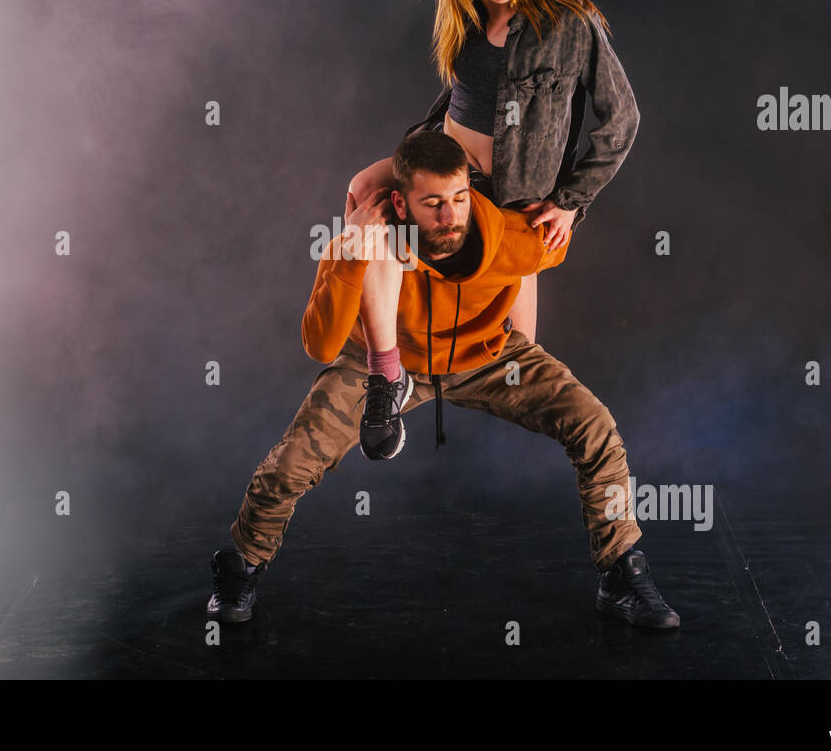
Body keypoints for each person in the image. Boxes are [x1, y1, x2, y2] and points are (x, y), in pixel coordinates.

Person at [208, 132, 679, 630]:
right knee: (292, 462)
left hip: (488, 358)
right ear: (399, 202)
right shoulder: (367, 242)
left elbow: (552, 243)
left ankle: (620, 573)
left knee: (596, 428)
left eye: (457, 199)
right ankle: (245, 563)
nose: (449, 217)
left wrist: (567, 209)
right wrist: (349, 254)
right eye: (432, 204)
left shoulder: (499, 235)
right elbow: (321, 346)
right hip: (385, 364)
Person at [346, 0, 641, 459]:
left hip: (505, 191)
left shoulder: (569, 23)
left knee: (515, 349)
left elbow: (621, 118)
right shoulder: (469, 14)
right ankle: (387, 369)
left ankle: (435, 347)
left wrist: (572, 200)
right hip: (443, 157)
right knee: (365, 194)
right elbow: (459, 91)